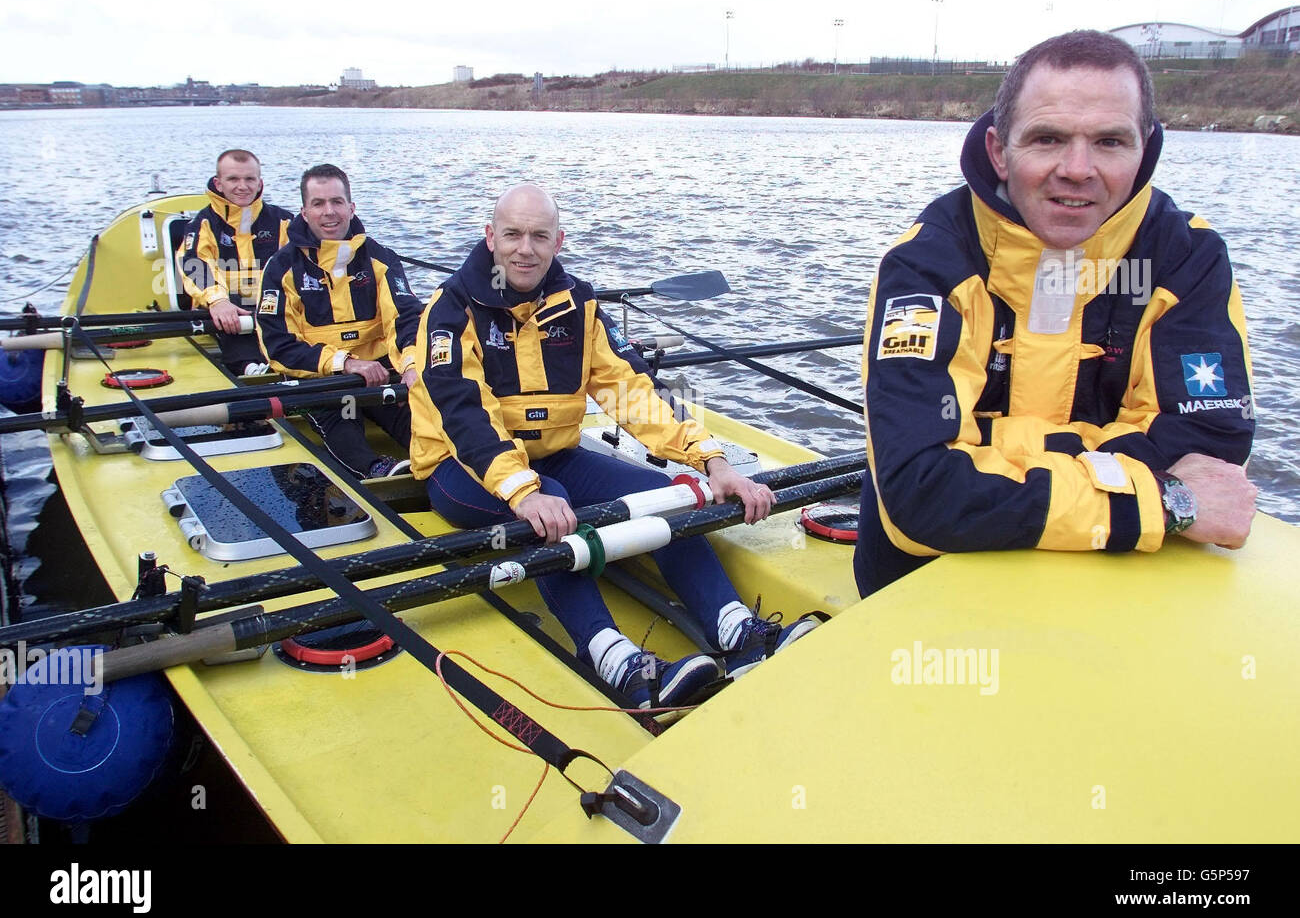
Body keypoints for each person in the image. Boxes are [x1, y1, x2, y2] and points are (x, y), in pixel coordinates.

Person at [855, 30, 1258, 598]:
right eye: (1047, 139)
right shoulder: (925, 264)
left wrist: (982, 455)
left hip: (1118, 579)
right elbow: (920, 496)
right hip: (931, 584)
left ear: (1145, 147)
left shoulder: (1187, 255)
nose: (1076, 168)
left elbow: (1212, 446)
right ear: (999, 149)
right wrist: (1166, 497)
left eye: (1110, 142)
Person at [406, 184, 820, 708]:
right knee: (549, 504)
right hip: (459, 469)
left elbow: (633, 391)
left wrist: (711, 461)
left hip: (551, 454)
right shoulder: (450, 308)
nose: (524, 249)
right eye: (512, 234)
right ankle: (613, 660)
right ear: (490, 237)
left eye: (539, 236)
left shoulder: (579, 304)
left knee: (670, 493)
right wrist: (524, 491)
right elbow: (462, 413)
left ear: (559, 241)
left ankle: (738, 634)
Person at [257, 164, 424, 478]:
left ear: (351, 207)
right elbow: (277, 346)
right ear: (304, 212)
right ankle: (374, 469)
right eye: (318, 204)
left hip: (380, 374)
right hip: (323, 378)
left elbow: (406, 319)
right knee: (340, 417)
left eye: (336, 202)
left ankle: (439, 462)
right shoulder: (281, 268)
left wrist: (412, 366)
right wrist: (345, 363)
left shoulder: (381, 258)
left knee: (419, 413)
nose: (329, 212)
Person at [176, 149, 292, 376]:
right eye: (233, 179)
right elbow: (195, 263)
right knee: (232, 312)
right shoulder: (203, 224)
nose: (243, 186)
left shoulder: (284, 221)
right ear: (219, 184)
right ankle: (250, 368)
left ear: (260, 183)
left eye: (250, 179)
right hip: (227, 308)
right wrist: (218, 300)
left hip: (271, 305)